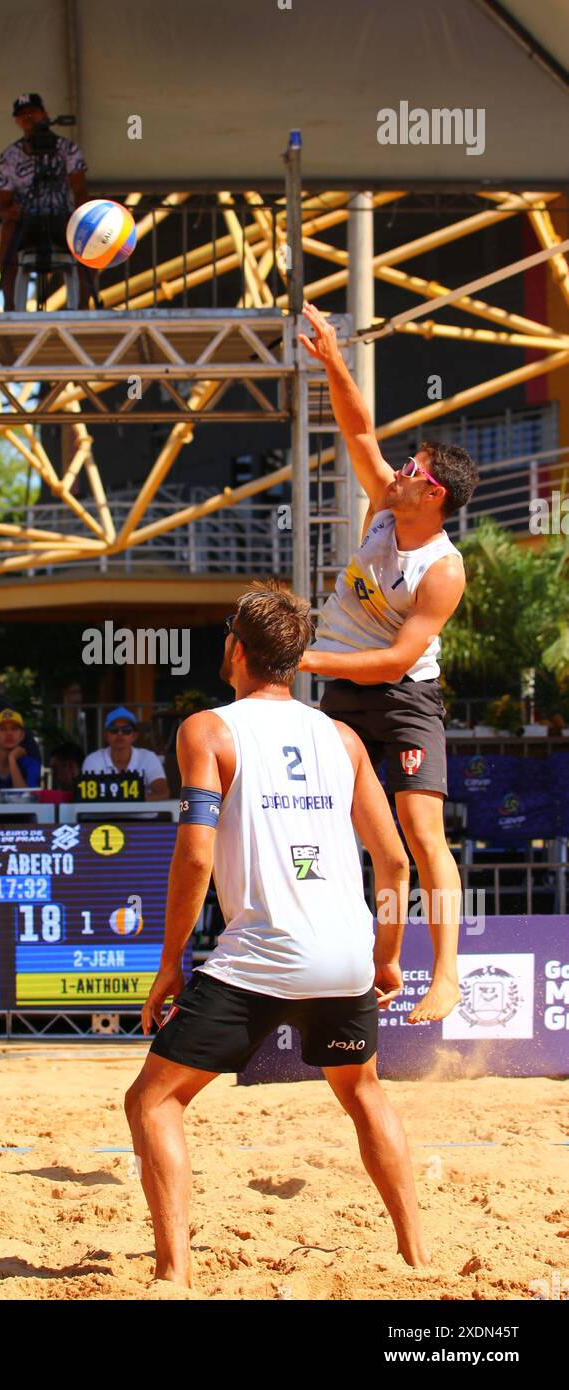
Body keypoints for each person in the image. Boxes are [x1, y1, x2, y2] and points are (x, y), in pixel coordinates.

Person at [125, 582, 430, 1289]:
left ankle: (174, 1273)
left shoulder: (207, 729)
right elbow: (392, 860)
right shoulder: (343, 738)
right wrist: (385, 958)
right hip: (346, 955)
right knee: (364, 1094)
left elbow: (196, 855)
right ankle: (417, 1255)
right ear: (295, 659)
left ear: (235, 649)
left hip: (263, 957)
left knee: (153, 1100)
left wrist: (171, 962)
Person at [297, 301, 481, 1024]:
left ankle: (446, 976)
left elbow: (400, 659)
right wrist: (333, 358)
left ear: (431, 494)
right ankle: (373, 958)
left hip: (403, 695)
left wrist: (305, 658)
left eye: (412, 468)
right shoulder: (382, 507)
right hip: (343, 686)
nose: (397, 468)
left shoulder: (443, 568)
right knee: (338, 829)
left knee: (421, 834)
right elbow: (360, 427)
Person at [0, 92, 93, 311]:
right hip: (26, 223)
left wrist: (82, 216)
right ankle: (9, 304)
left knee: (88, 235)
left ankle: (84, 304)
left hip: (62, 219)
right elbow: (4, 203)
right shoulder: (9, 156)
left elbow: (80, 189)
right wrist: (11, 212)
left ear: (45, 115)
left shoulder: (67, 149)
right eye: (22, 116)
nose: (28, 118)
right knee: (8, 232)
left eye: (33, 112)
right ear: (17, 122)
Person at [83, 707, 169, 800]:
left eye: (126, 730)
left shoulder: (148, 757)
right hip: (105, 814)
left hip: (141, 814)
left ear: (134, 736)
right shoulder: (93, 760)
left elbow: (163, 793)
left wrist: (130, 799)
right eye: (114, 729)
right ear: (106, 735)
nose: (120, 734)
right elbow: (86, 796)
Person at [0, 708, 41, 790]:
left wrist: (12, 759)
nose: (9, 733)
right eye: (3, 729)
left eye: (14, 729)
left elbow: (26, 796)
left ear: (22, 735)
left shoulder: (31, 764)